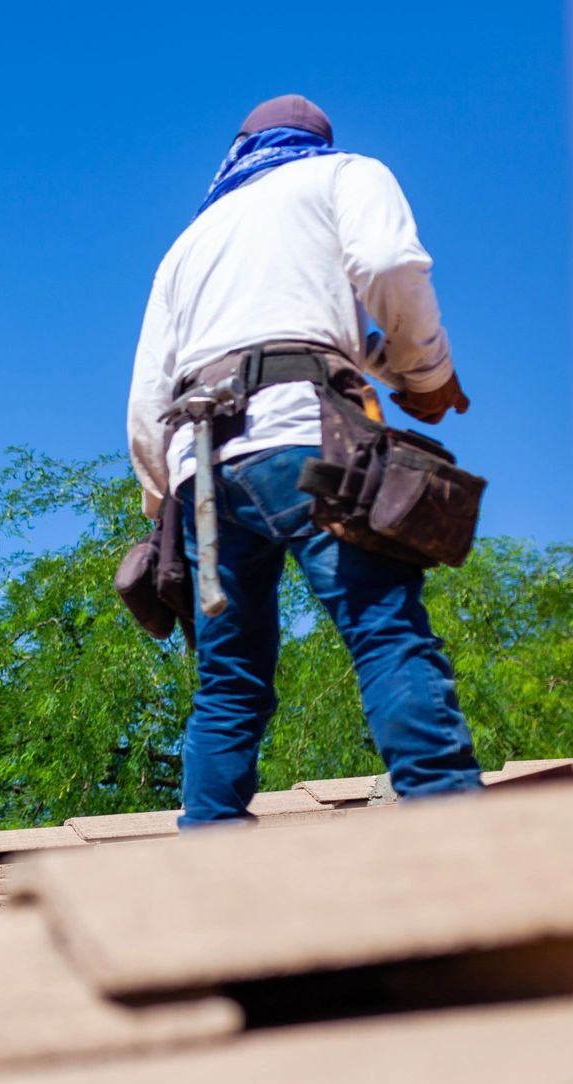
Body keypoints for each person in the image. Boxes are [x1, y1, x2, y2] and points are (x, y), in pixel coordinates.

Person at [125, 94, 482, 828]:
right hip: (305, 439)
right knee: (384, 627)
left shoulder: (189, 245)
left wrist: (162, 508)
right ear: (316, 140)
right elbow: (385, 263)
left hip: (203, 470)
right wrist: (425, 373)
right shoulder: (342, 174)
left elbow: (147, 395)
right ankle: (453, 822)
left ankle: (211, 844)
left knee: (227, 679)